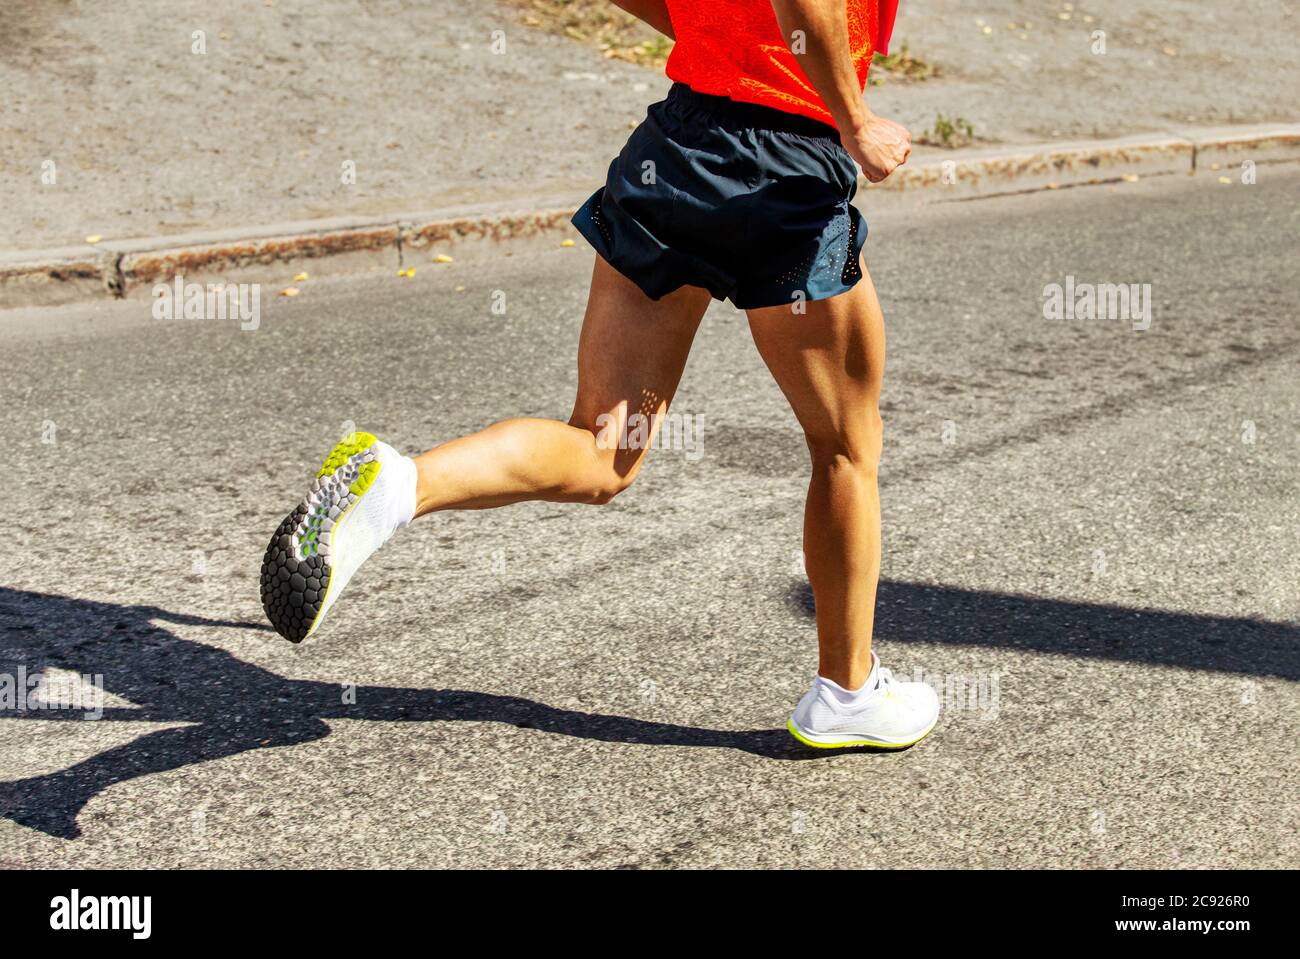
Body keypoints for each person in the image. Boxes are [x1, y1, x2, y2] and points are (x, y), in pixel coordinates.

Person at [259, 0, 939, 749]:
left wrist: (722, 36)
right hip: (786, 167)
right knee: (845, 445)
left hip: (677, 149)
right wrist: (853, 119)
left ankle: (395, 484)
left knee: (601, 449)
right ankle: (846, 693)